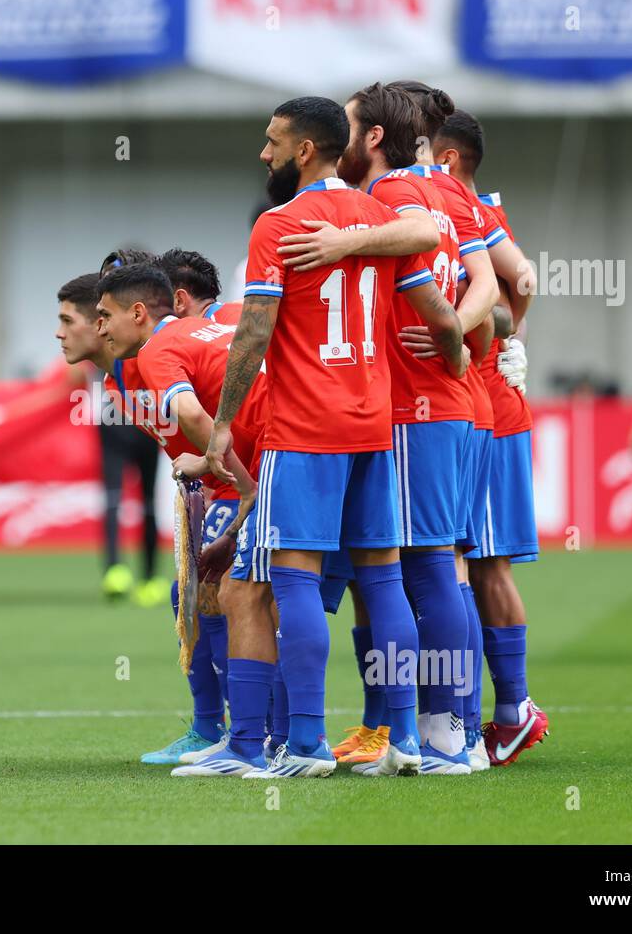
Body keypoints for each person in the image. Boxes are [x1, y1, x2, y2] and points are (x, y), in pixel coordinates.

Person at [207, 95, 464, 778]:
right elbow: (438, 309)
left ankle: (308, 744)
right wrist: (458, 350)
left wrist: (227, 423)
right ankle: (406, 739)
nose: (264, 153)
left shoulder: (279, 224)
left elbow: (254, 332)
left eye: (272, 141)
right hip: (373, 424)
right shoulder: (381, 217)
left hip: (305, 427)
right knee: (384, 583)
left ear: (304, 150)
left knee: (295, 581)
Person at [95, 263, 270, 776]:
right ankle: (246, 731)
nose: (78, 329)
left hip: (269, 462)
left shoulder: (161, 349)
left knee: (242, 593)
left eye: (89, 315)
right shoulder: (118, 379)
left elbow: (195, 418)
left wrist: (239, 484)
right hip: (284, 454)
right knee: (203, 592)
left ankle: (269, 736)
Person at [432, 110, 550, 766]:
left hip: (483, 411)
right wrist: (514, 334)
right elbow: (523, 279)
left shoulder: (468, 210)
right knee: (470, 563)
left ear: (444, 158)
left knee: (472, 562)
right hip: (480, 406)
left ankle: (499, 712)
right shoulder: (472, 210)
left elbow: (523, 279)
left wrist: (509, 337)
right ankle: (496, 712)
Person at [95, 250, 164, 606]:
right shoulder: (112, 313)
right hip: (118, 418)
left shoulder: (132, 315)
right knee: (117, 497)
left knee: (138, 499)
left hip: (142, 418)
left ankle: (140, 574)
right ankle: (124, 572)